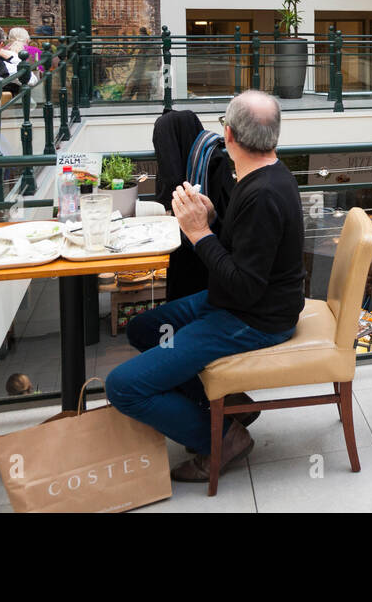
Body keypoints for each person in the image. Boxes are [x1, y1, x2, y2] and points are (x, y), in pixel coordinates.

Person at [107, 90, 304, 483]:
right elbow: (245, 252)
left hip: (254, 317)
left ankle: (221, 439)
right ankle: (228, 403)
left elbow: (244, 286)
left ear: (228, 135)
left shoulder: (263, 193)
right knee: (145, 328)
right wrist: (212, 217)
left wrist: (198, 233)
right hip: (234, 301)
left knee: (123, 386)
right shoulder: (262, 176)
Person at [151, 109, 238, 301]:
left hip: (203, 256)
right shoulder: (212, 155)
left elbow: (170, 180)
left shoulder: (207, 163)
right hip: (218, 261)